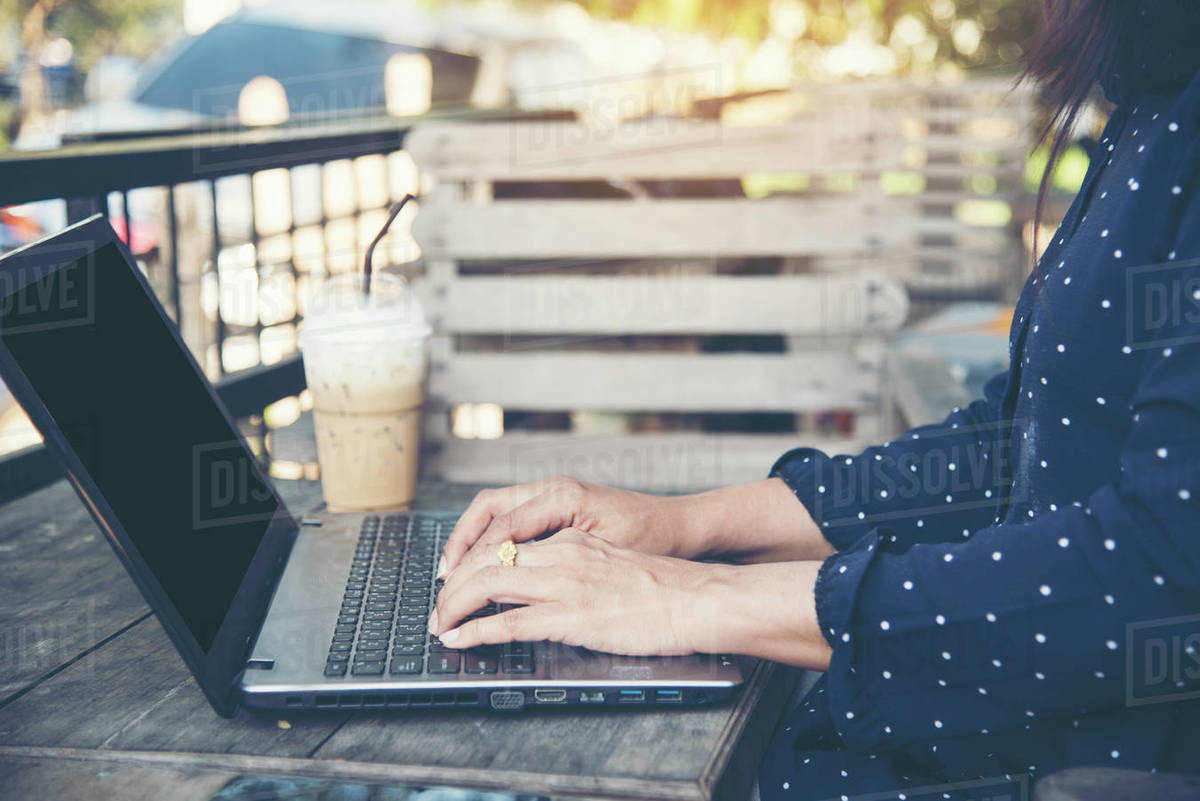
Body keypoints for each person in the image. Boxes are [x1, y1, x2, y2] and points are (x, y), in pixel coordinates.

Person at [429, 1, 1200, 796]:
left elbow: (1158, 574)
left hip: (1071, 760)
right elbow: (1013, 449)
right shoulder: (1156, 88)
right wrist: (682, 524)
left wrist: (688, 595)